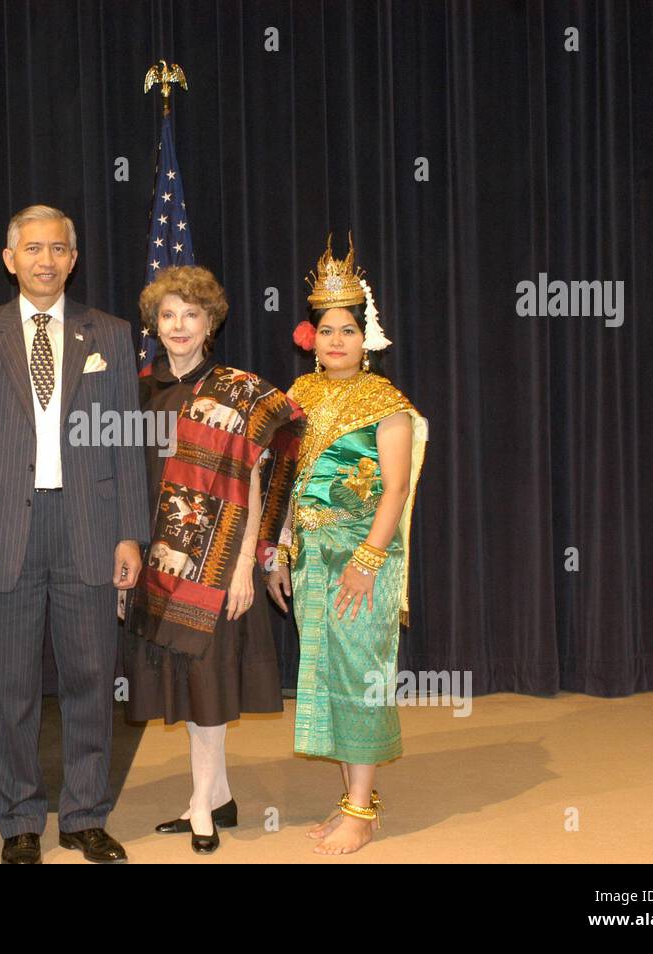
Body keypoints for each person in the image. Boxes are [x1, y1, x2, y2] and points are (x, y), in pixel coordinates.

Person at [0, 205, 149, 864]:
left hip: (89, 527)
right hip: (3, 529)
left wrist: (132, 532)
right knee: (7, 685)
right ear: (10, 260)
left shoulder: (112, 335)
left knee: (91, 679)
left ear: (74, 258)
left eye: (58, 249)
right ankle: (17, 821)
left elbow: (126, 440)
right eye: (32, 249)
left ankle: (84, 815)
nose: (46, 260)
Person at [122, 266, 304, 854]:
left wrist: (247, 559)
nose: (178, 326)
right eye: (168, 315)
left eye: (191, 315)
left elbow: (255, 477)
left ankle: (201, 804)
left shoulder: (236, 390)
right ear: (154, 321)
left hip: (220, 559)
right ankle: (217, 794)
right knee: (186, 682)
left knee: (209, 682)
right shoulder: (136, 389)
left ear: (210, 322)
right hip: (158, 559)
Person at [266, 233, 428, 856]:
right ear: (312, 338)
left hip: (365, 558)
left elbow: (395, 490)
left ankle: (362, 808)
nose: (337, 341)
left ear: (369, 338)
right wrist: (279, 554)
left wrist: (366, 562)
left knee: (361, 672)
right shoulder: (299, 396)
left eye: (348, 331)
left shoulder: (386, 404)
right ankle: (348, 801)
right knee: (329, 675)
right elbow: (284, 480)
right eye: (326, 330)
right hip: (309, 556)